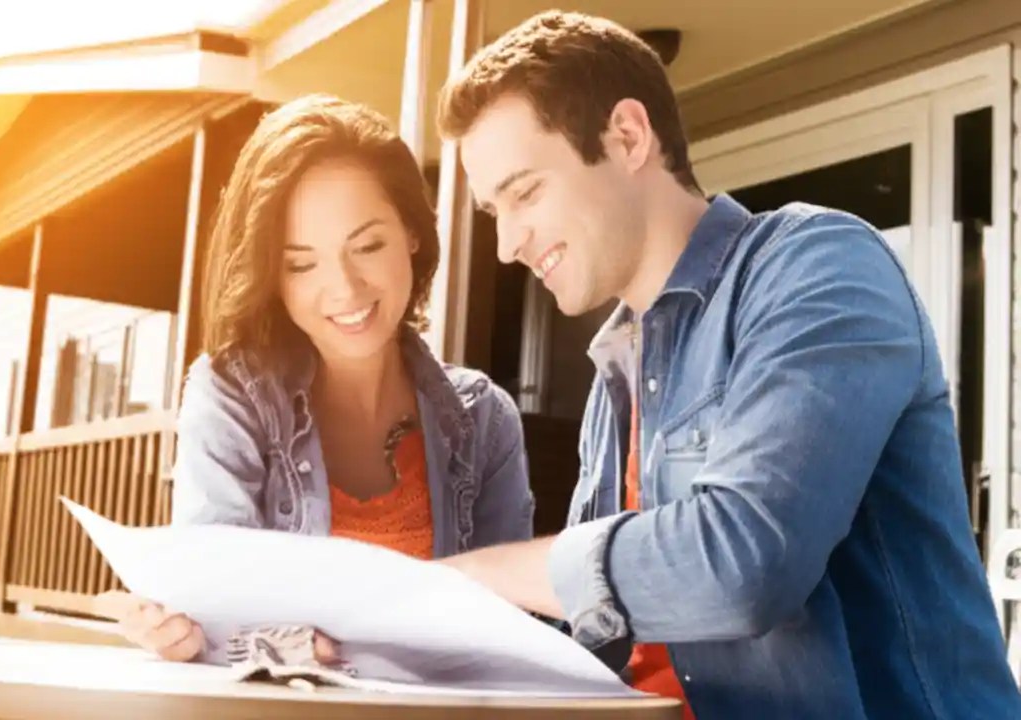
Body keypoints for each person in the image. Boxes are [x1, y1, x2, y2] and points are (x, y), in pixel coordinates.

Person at [432, 10, 1021, 720]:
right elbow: (596, 639)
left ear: (628, 137)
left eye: (525, 192)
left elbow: (744, 563)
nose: (506, 244)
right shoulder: (616, 377)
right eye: (493, 210)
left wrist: (474, 575)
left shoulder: (820, 267)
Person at [97, 95, 534, 664]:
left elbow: (513, 631)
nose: (345, 288)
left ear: (412, 232)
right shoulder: (232, 398)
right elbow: (215, 608)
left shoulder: (485, 421)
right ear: (272, 274)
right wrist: (188, 635)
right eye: (302, 264)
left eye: (368, 246)